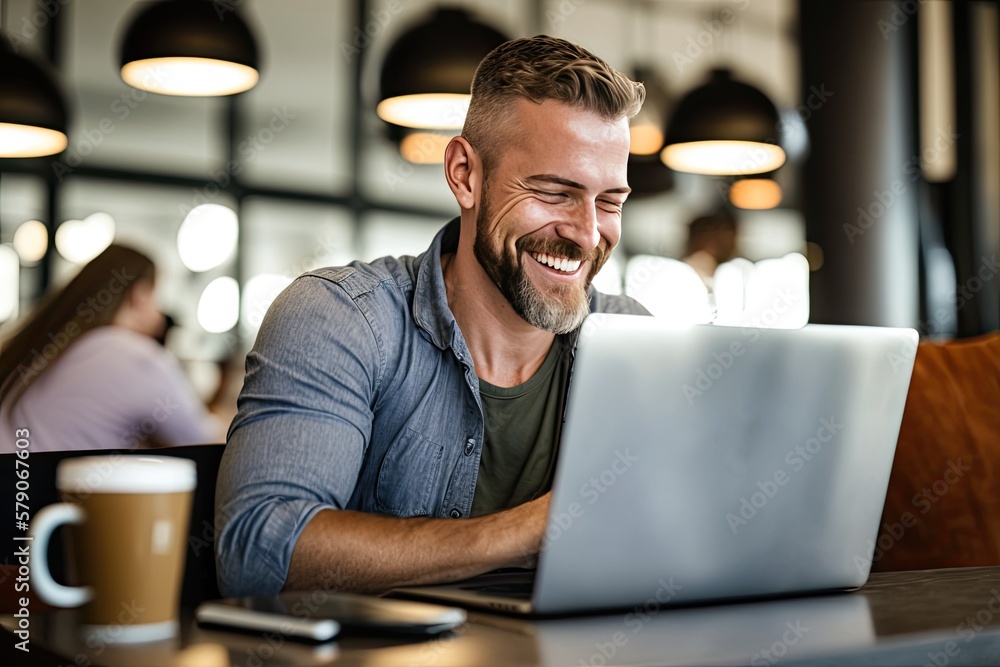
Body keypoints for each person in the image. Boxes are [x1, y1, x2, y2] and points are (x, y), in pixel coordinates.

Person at [216, 36, 650, 597]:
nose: (588, 233)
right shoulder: (342, 319)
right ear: (465, 175)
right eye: (553, 192)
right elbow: (256, 553)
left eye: (610, 201)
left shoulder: (634, 340)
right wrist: (537, 527)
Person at [0, 244, 220, 452]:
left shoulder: (47, 344)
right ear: (139, 296)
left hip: (19, 484)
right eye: (156, 298)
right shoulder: (133, 354)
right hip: (41, 491)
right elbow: (204, 442)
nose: (159, 315)